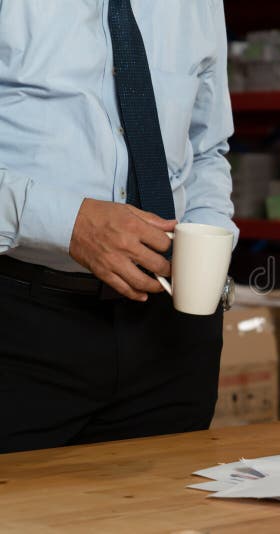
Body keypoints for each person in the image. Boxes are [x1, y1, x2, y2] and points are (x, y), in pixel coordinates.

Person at [0, 1, 237, 453]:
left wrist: (207, 240)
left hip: (171, 335)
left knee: (164, 516)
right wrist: (69, 224)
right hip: (20, 328)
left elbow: (207, 148)